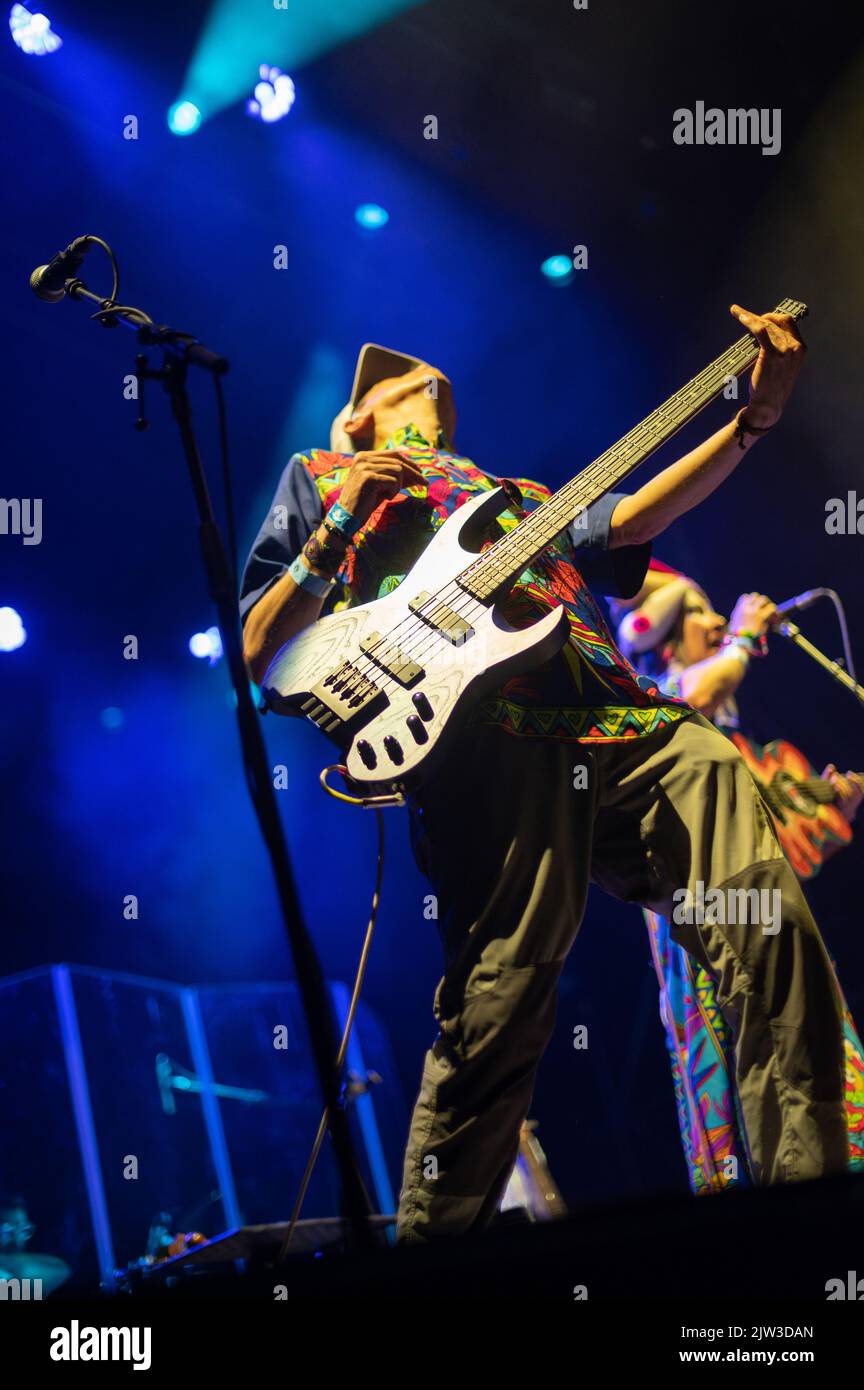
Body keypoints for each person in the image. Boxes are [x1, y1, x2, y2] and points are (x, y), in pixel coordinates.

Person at [241, 307, 847, 1244]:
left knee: (766, 919)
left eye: (427, 379)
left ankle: (810, 1216)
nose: (422, 380)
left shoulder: (513, 494)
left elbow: (637, 513)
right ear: (353, 419)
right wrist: (343, 513)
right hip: (490, 742)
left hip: (618, 719)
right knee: (498, 1010)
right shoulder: (320, 480)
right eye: (393, 380)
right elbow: (259, 645)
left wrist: (750, 421)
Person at [612, 566, 864, 1190]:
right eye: (699, 612)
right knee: (743, 1049)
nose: (718, 620)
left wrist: (839, 807)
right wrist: (746, 642)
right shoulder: (659, 703)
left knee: (804, 1042)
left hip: (760, 914)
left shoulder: (736, 745)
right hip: (703, 927)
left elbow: (790, 855)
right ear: (668, 640)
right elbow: (692, 694)